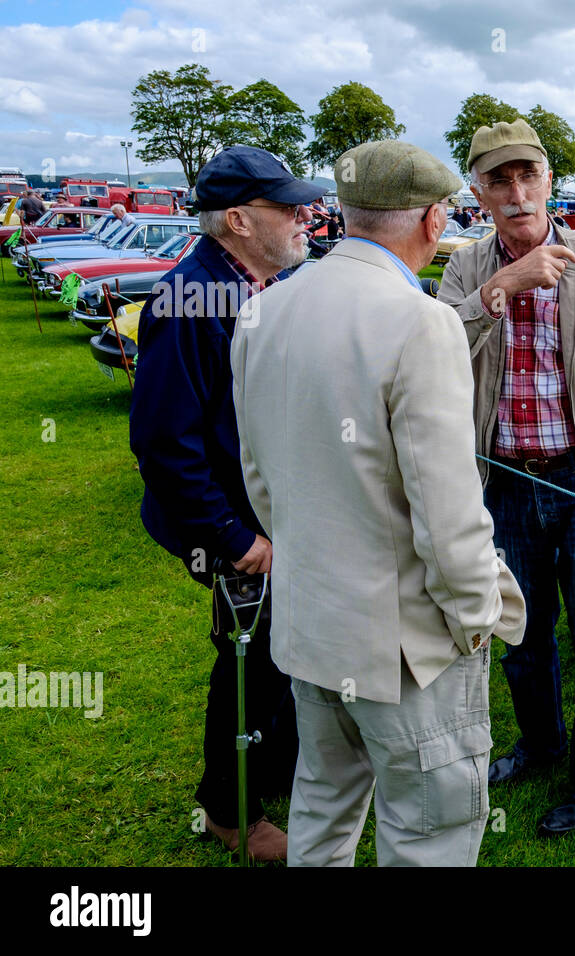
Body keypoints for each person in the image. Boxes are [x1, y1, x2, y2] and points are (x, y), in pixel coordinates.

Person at [230, 141, 524, 867]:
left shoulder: (265, 309)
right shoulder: (420, 321)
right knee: (429, 835)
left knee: (322, 819)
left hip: (311, 621)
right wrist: (477, 617)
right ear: (432, 219)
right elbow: (447, 509)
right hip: (407, 649)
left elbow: (260, 477)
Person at [438, 118, 575, 838]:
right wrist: (503, 286)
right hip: (503, 483)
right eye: (498, 179)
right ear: (477, 189)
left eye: (527, 175)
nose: (516, 192)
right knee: (520, 638)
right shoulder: (467, 267)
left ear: (547, 180)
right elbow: (437, 352)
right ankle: (540, 746)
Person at [129, 145, 324, 862]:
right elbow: (163, 443)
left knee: (280, 657)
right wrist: (235, 540)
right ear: (238, 220)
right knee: (249, 662)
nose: (306, 215)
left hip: (271, 515)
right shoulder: (190, 296)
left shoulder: (260, 284)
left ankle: (275, 778)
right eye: (288, 206)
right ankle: (229, 811)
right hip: (235, 529)